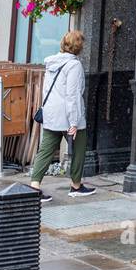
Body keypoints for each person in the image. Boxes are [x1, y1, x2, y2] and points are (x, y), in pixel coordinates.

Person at [28, 30, 97, 201]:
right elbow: (72, 95)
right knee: (79, 148)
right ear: (79, 47)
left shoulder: (52, 62)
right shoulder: (74, 65)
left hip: (52, 113)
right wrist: (74, 122)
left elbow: (47, 90)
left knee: (45, 150)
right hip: (68, 115)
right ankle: (76, 185)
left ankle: (34, 186)